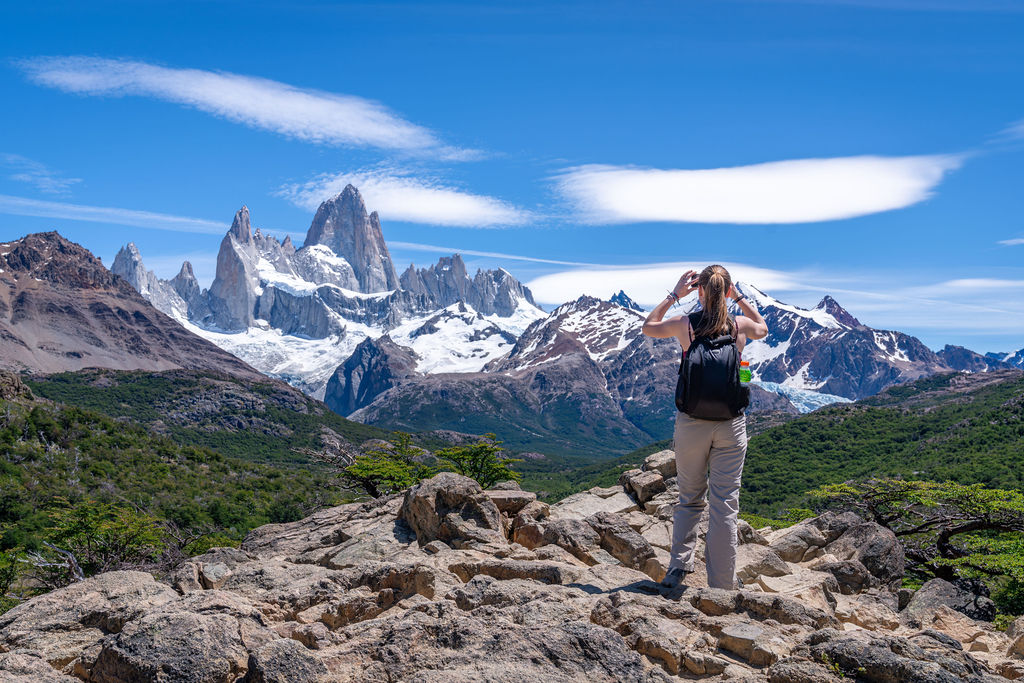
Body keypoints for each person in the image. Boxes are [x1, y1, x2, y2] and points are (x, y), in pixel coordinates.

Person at [641, 264, 769, 590]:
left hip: (692, 425)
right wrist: (738, 296)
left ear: (699, 291)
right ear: (727, 291)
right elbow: (764, 328)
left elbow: (648, 327)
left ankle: (679, 570)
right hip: (731, 425)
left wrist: (674, 295)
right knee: (725, 505)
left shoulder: (686, 325)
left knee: (689, 499)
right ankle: (723, 586)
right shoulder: (738, 326)